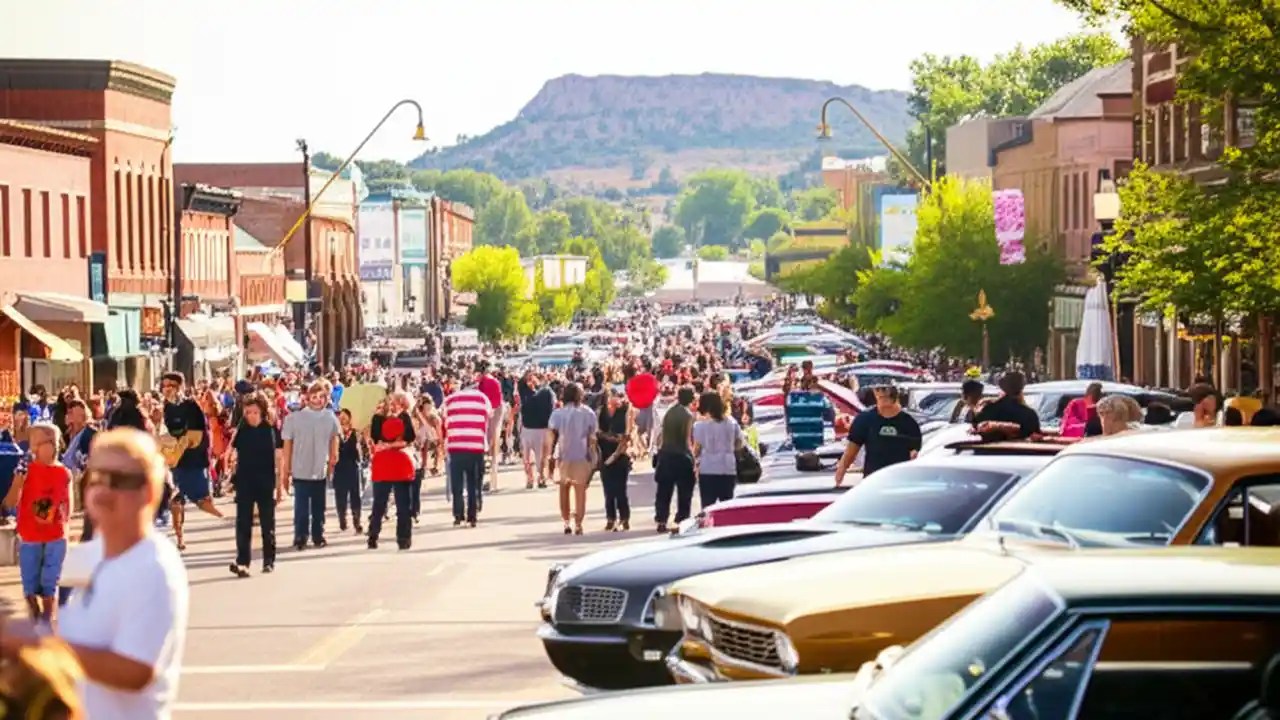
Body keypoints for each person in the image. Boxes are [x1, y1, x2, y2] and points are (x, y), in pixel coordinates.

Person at [39, 427, 188, 720]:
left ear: (149, 491)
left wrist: (44, 650)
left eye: (118, 480)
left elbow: (136, 671)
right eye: (95, 477)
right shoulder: (94, 552)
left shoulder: (153, 566)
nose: (102, 490)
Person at [3, 423, 70, 625]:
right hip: (30, 535)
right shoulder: (26, 471)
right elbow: (9, 503)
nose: (51, 447)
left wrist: (65, 528)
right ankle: (35, 618)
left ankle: (47, 623)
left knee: (50, 584)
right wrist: (18, 481)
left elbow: (68, 505)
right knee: (30, 586)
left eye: (53, 441)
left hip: (55, 536)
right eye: (43, 442)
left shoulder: (63, 473)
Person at [159, 372, 222, 552]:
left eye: (171, 385)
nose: (167, 389)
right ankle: (180, 536)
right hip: (176, 459)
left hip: (194, 458)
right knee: (177, 499)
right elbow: (170, 431)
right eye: (165, 385)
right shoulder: (167, 408)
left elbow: (201, 433)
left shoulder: (192, 405)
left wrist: (202, 455)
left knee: (201, 498)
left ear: (180, 387)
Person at [225, 394, 281, 577]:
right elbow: (232, 452)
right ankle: (242, 561)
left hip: (265, 481)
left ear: (262, 412)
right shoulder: (242, 430)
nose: (251, 416)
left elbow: (278, 457)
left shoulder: (270, 430)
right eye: (248, 412)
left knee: (267, 523)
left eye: (255, 412)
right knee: (243, 523)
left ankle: (268, 560)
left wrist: (280, 485)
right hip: (245, 480)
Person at [280, 382, 341, 551]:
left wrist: (333, 459)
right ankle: (300, 536)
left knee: (319, 506)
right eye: (314, 397)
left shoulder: (330, 417)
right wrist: (287, 466)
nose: (318, 400)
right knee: (301, 507)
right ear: (307, 398)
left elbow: (334, 438)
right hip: (300, 468)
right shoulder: (294, 418)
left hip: (320, 468)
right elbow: (287, 443)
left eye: (321, 397)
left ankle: (318, 534)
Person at [834, 386, 922, 486]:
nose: (882, 394)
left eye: (886, 392)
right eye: (879, 391)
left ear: (897, 396)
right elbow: (852, 449)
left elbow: (915, 454)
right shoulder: (865, 419)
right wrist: (840, 473)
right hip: (873, 481)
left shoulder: (909, 422)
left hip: (900, 482)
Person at [548, 382, 597, 536]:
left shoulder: (558, 413)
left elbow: (552, 434)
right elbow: (593, 436)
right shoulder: (588, 413)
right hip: (582, 454)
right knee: (580, 491)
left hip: (563, 455)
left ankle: (566, 521)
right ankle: (579, 523)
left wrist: (550, 456)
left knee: (564, 489)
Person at [442, 378, 491, 528]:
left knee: (457, 482)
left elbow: (445, 421)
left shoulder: (449, 400)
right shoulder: (483, 399)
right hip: (476, 446)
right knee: (474, 482)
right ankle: (472, 515)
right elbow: (488, 418)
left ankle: (458, 514)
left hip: (456, 446)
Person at [367, 412, 415, 550]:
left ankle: (374, 535)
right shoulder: (401, 418)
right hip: (399, 463)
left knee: (381, 504)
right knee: (401, 505)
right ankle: (403, 538)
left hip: (385, 463)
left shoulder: (379, 419)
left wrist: (387, 445)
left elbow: (377, 441)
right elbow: (408, 439)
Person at [653, 386, 696, 533]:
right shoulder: (688, 415)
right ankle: (682, 519)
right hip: (681, 455)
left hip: (665, 454)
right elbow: (687, 440)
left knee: (664, 490)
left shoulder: (670, 412)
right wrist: (694, 458)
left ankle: (661, 519)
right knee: (685, 491)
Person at [691, 391, 743, 508]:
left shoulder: (699, 426)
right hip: (728, 468)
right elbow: (739, 443)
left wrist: (695, 460)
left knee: (708, 506)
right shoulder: (732, 423)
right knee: (727, 505)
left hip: (708, 469)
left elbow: (696, 449)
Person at [596, 387, 632, 532]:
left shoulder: (625, 411)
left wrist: (616, 442)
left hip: (621, 454)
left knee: (621, 489)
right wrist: (610, 437)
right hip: (604, 454)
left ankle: (624, 518)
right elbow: (596, 432)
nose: (613, 400)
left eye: (616, 396)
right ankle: (610, 518)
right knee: (608, 490)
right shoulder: (600, 412)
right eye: (610, 397)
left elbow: (627, 435)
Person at [974, 372, 1041, 440]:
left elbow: (975, 430)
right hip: (1020, 450)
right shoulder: (1029, 414)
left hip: (987, 450)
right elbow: (1035, 438)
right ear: (1022, 388)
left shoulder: (988, 409)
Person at [518, 371, 555, 489]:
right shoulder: (524, 392)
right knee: (526, 458)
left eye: (534, 378)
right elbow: (520, 383)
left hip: (543, 428)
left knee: (543, 458)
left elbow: (552, 408)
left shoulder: (547, 392)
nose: (532, 381)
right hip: (527, 428)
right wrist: (528, 375)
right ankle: (530, 479)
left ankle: (541, 478)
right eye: (529, 378)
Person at [333, 409, 364, 535]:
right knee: (340, 496)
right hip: (339, 468)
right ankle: (342, 519)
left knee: (355, 495)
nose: (342, 419)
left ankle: (357, 521)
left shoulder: (355, 433)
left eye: (345, 417)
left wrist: (359, 445)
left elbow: (360, 454)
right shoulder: (335, 434)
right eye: (340, 417)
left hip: (353, 467)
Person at [474, 360, 504, 492]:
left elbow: (484, 400)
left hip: (491, 412)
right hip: (494, 411)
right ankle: (492, 481)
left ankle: (489, 481)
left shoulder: (485, 382)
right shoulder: (492, 381)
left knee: (489, 444)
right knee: (492, 446)